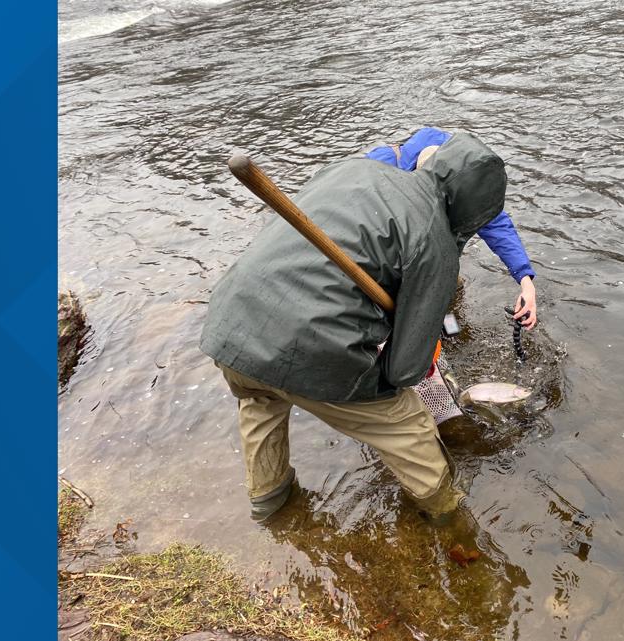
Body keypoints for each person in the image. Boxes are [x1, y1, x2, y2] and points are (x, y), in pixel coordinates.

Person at [200, 131, 507, 522]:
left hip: (232, 326)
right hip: (308, 345)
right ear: (472, 210)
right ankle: (446, 515)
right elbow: (404, 369)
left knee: (262, 397)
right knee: (407, 424)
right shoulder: (437, 240)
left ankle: (270, 506)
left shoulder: (356, 169)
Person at [366, 127, 538, 330]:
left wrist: (526, 283)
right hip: (393, 246)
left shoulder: (466, 172)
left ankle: (451, 329)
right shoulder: (377, 172)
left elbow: (496, 224)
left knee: (451, 290)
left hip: (437, 250)